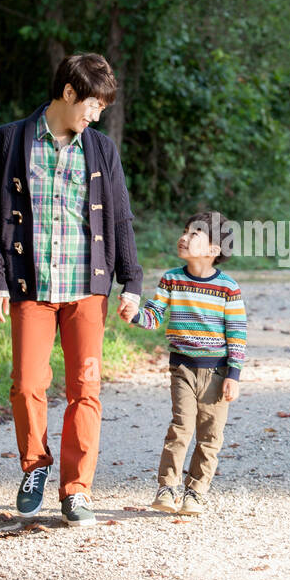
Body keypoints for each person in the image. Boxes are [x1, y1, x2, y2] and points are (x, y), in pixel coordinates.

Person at [0, 53, 143, 527]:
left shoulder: (101, 150)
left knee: (85, 389)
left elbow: (119, 219)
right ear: (68, 93)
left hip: (88, 289)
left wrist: (130, 281)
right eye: (93, 104)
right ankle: (35, 466)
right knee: (28, 384)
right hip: (31, 285)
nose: (97, 115)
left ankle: (77, 489)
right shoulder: (9, 141)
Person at [124, 211, 246, 516]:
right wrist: (135, 314)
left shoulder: (228, 288)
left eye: (194, 234)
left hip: (217, 372)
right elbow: (154, 314)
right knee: (180, 426)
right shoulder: (172, 279)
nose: (184, 237)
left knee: (210, 435)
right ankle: (167, 486)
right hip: (182, 369)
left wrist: (234, 374)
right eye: (184, 231)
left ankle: (196, 491)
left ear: (213, 250)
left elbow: (237, 333)